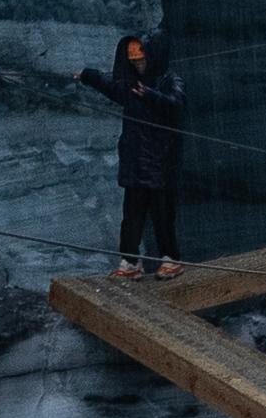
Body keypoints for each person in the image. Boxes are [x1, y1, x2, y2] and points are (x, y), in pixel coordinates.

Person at [76, 29, 187, 276]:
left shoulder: (171, 80)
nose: (137, 64)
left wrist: (150, 96)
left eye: (141, 59)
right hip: (136, 163)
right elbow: (110, 85)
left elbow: (176, 106)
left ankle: (171, 259)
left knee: (162, 217)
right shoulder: (131, 86)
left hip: (161, 165)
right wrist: (88, 75)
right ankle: (130, 262)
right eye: (134, 61)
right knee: (132, 218)